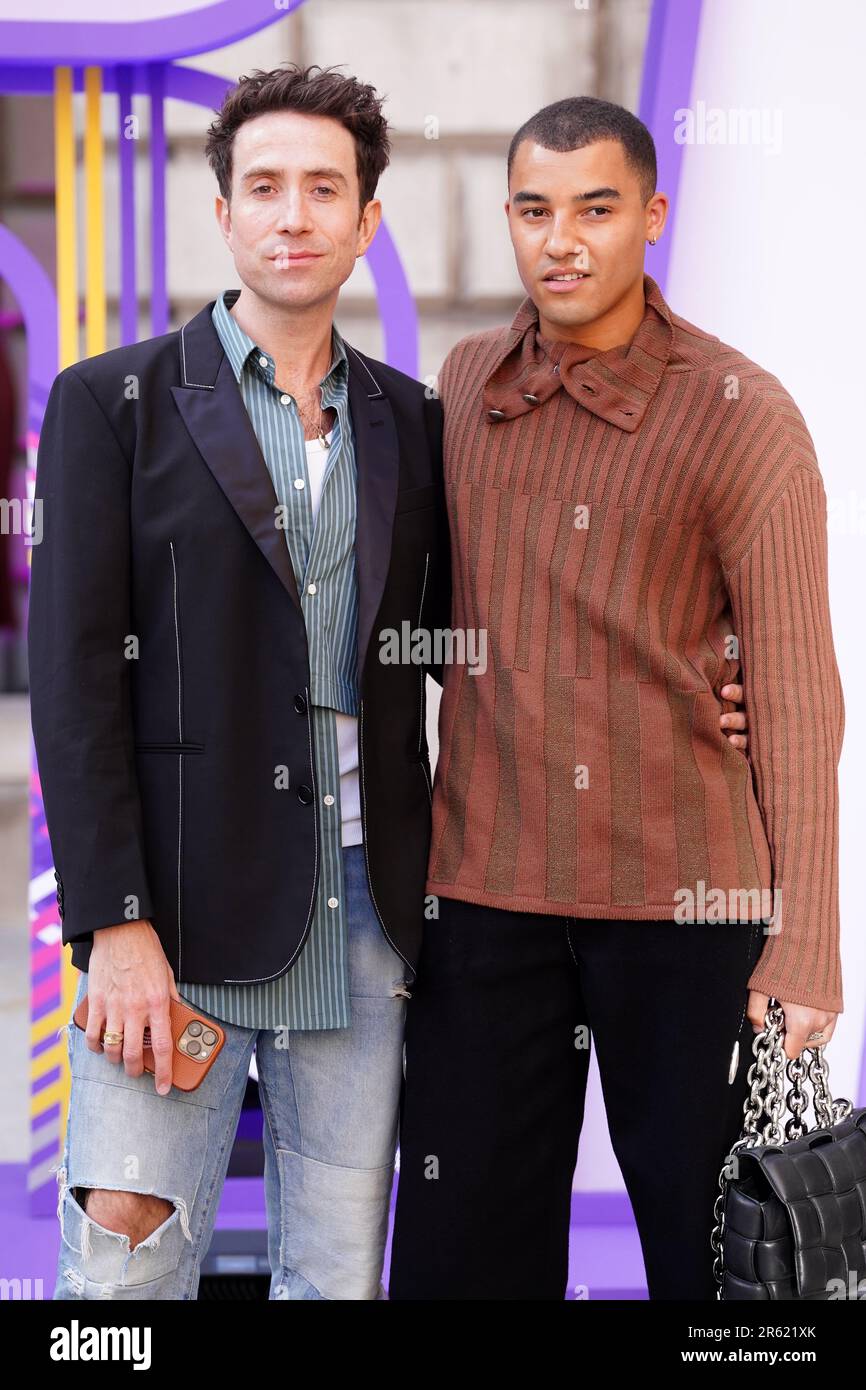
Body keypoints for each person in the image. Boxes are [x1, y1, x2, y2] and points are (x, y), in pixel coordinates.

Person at [389, 96, 845, 1301]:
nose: (562, 239)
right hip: (484, 894)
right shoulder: (466, 381)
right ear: (508, 222)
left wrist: (805, 941)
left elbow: (797, 690)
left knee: (723, 1274)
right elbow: (456, 617)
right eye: (535, 211)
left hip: (684, 903)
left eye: (595, 208)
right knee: (457, 1261)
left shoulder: (741, 415)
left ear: (650, 216)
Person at [28, 63, 451, 1301]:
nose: (293, 214)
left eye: (325, 189)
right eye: (263, 185)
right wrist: (112, 924)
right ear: (222, 210)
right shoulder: (112, 405)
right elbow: (73, 683)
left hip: (365, 928)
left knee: (332, 1278)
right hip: (174, 926)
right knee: (121, 1271)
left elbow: (472, 644)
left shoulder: (412, 424)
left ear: (366, 223)